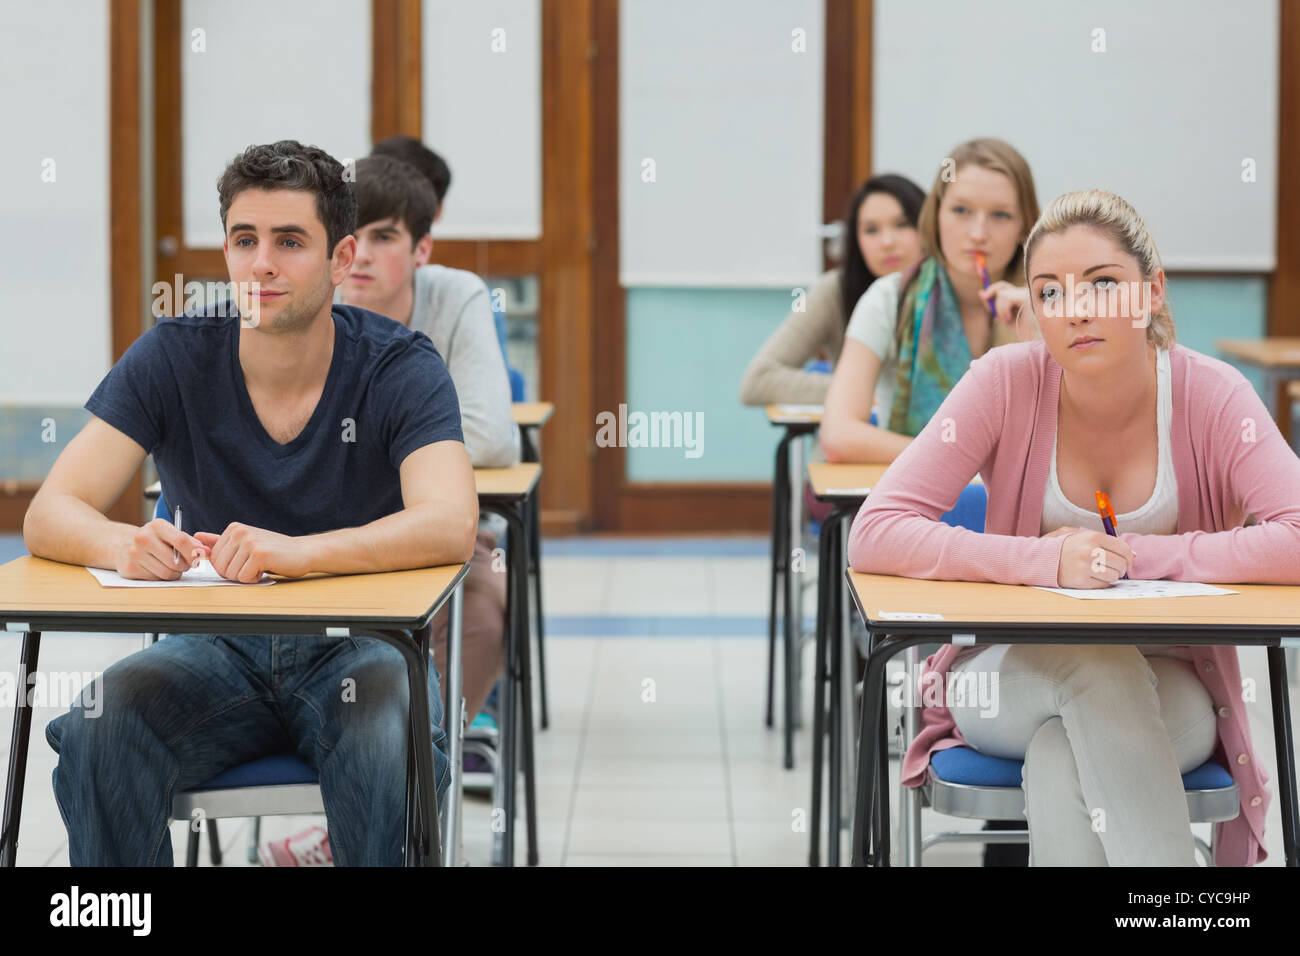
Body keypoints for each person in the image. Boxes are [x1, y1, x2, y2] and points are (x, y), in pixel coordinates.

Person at [27, 140, 478, 866]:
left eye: (289, 241)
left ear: (340, 259)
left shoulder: (400, 366)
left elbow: (451, 522)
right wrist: (121, 544)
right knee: (98, 726)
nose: (260, 264)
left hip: (359, 644)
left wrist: (299, 555)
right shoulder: (174, 354)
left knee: (385, 735)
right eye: (244, 240)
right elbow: (51, 511)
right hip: (213, 648)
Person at [848, 188, 1300, 865]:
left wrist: (1141, 556)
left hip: (1170, 684)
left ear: (1152, 292)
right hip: (1001, 677)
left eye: (1103, 284)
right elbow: (875, 530)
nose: (1076, 309)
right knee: (1093, 667)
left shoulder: (1213, 394)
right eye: (1049, 292)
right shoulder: (1004, 381)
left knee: (1062, 758)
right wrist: (1038, 561)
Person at [341, 153, 517, 728]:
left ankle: (416, 778)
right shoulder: (306, 298)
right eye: (349, 235)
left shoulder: (456, 296)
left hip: (445, 525)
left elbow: (493, 439)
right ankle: (356, 787)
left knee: (486, 612)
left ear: (422, 249)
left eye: (383, 237)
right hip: (317, 525)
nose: (360, 254)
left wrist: (361, 457)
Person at [820, 138, 1039, 463]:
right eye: (961, 210)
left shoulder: (1048, 302)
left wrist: (1044, 324)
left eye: (1001, 215)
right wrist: (962, 460)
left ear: (1026, 226)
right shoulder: (891, 298)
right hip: (921, 503)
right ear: (935, 215)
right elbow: (838, 436)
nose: (978, 233)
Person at [739, 174, 925, 406]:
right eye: (871, 230)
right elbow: (758, 380)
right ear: (856, 241)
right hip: (854, 436)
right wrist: (861, 392)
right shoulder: (834, 291)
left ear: (928, 227)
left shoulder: (953, 289)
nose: (887, 242)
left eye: (902, 224)